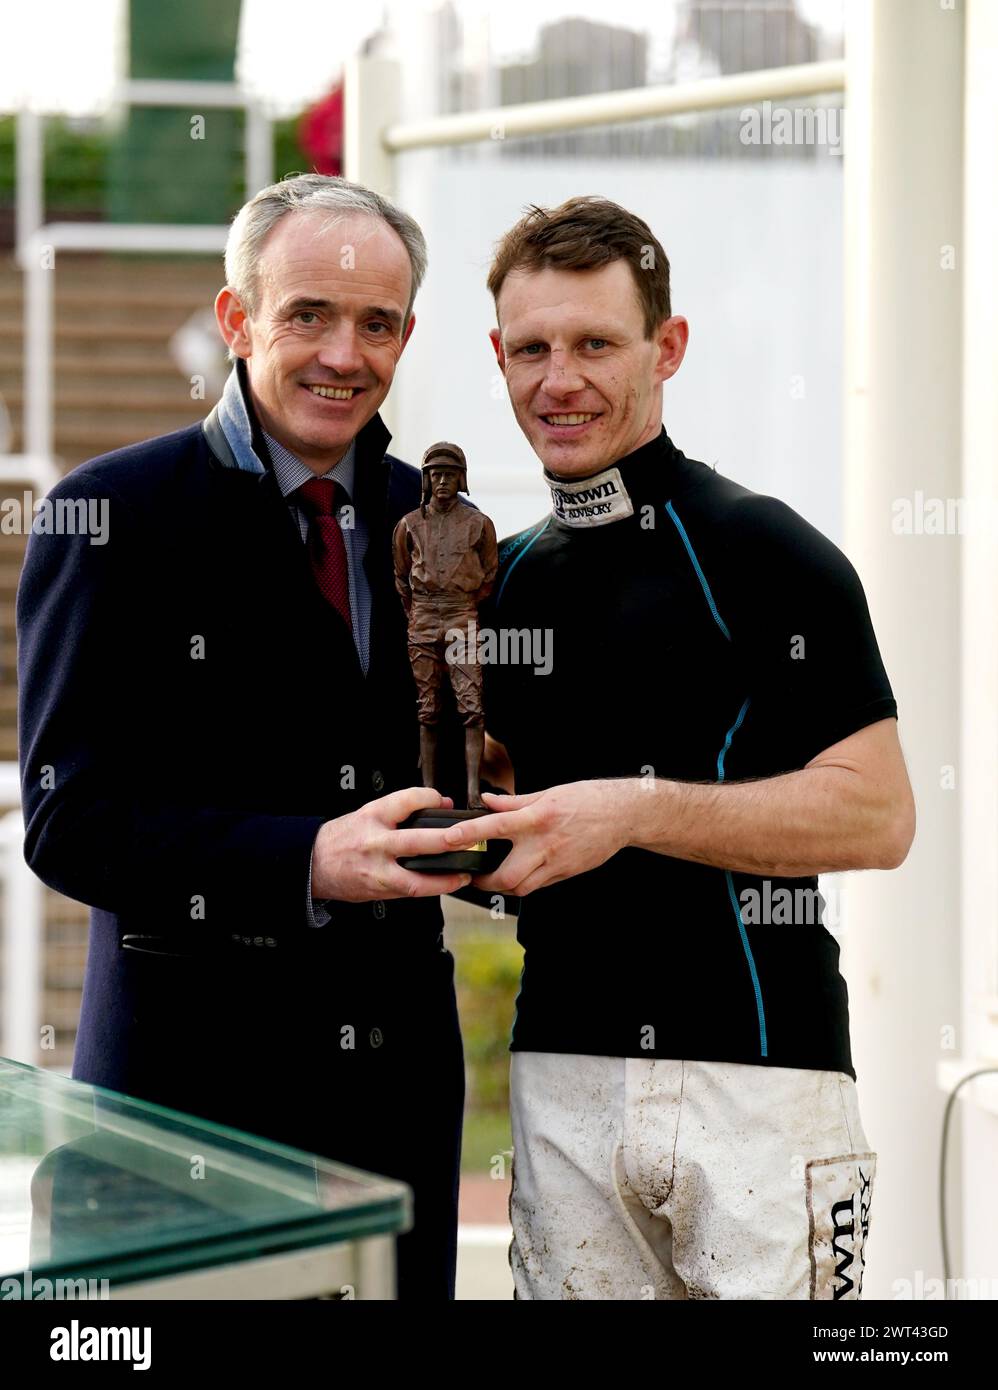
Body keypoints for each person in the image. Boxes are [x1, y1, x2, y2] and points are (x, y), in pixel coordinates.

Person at [444, 196, 916, 1300]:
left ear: (667, 347)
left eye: (595, 344)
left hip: (761, 1078)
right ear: (497, 357)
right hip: (558, 1066)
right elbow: (502, 795)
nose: (559, 380)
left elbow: (879, 814)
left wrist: (632, 810)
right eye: (531, 349)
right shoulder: (500, 579)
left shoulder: (767, 549)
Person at [16, 173, 473, 1301]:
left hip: (394, 1096)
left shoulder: (437, 523)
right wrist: (305, 858)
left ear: (406, 337)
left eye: (376, 324)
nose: (343, 355)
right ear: (236, 318)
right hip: (186, 1102)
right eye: (308, 314)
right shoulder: (111, 514)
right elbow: (70, 821)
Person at [393, 443, 499, 808]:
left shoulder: (479, 524)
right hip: (422, 616)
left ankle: (472, 793)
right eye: (436, 475)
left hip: (461, 615)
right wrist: (420, 612)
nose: (442, 481)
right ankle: (428, 794)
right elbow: (401, 576)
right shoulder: (409, 524)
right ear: (426, 479)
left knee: (472, 707)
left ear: (461, 479)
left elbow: (489, 573)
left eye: (450, 475)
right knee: (428, 709)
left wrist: (462, 603)